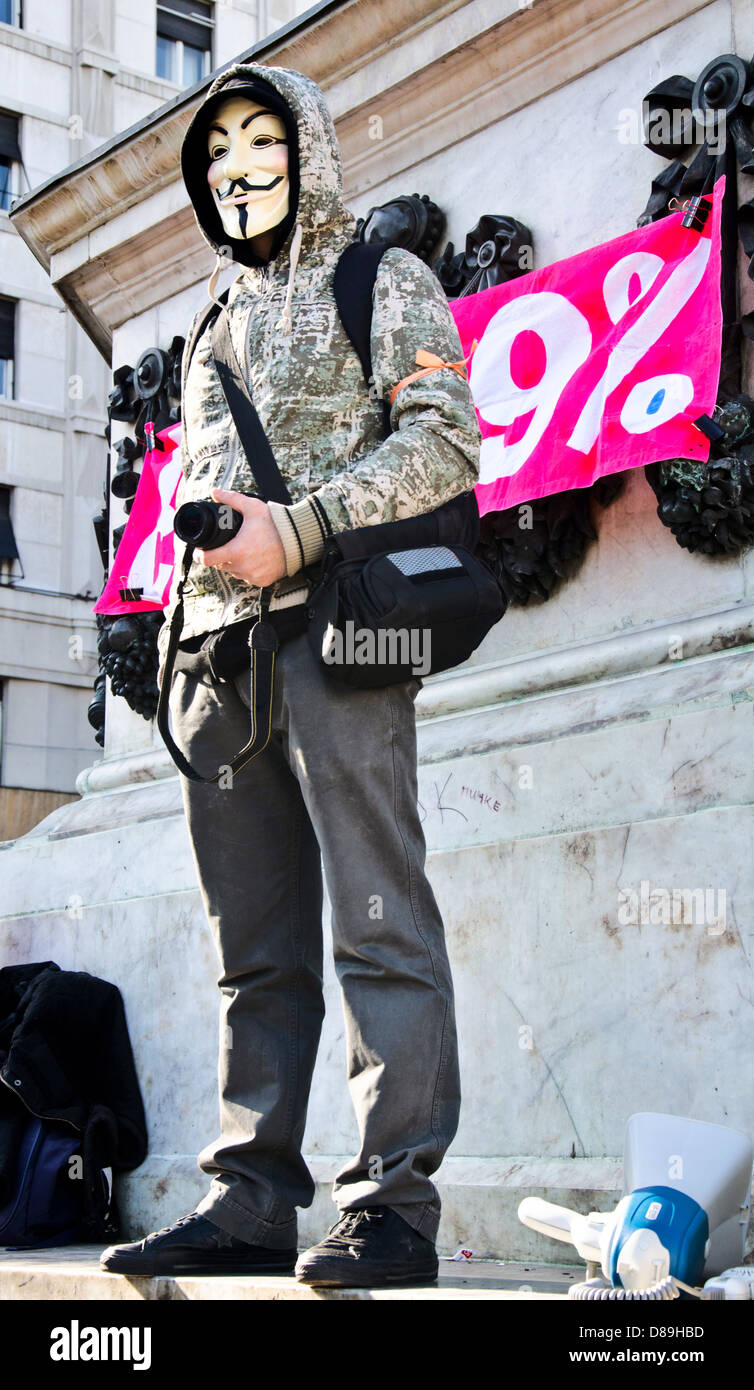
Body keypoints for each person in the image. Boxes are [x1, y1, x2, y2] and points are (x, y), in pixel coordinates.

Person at [100, 59, 480, 1289]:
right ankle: (250, 1195)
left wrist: (299, 528)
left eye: (261, 141)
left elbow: (447, 444)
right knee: (254, 947)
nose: (236, 168)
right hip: (218, 658)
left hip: (342, 629)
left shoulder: (384, 275)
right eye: (216, 154)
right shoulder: (210, 315)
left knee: (377, 919)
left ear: (306, 150)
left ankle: (394, 1207)